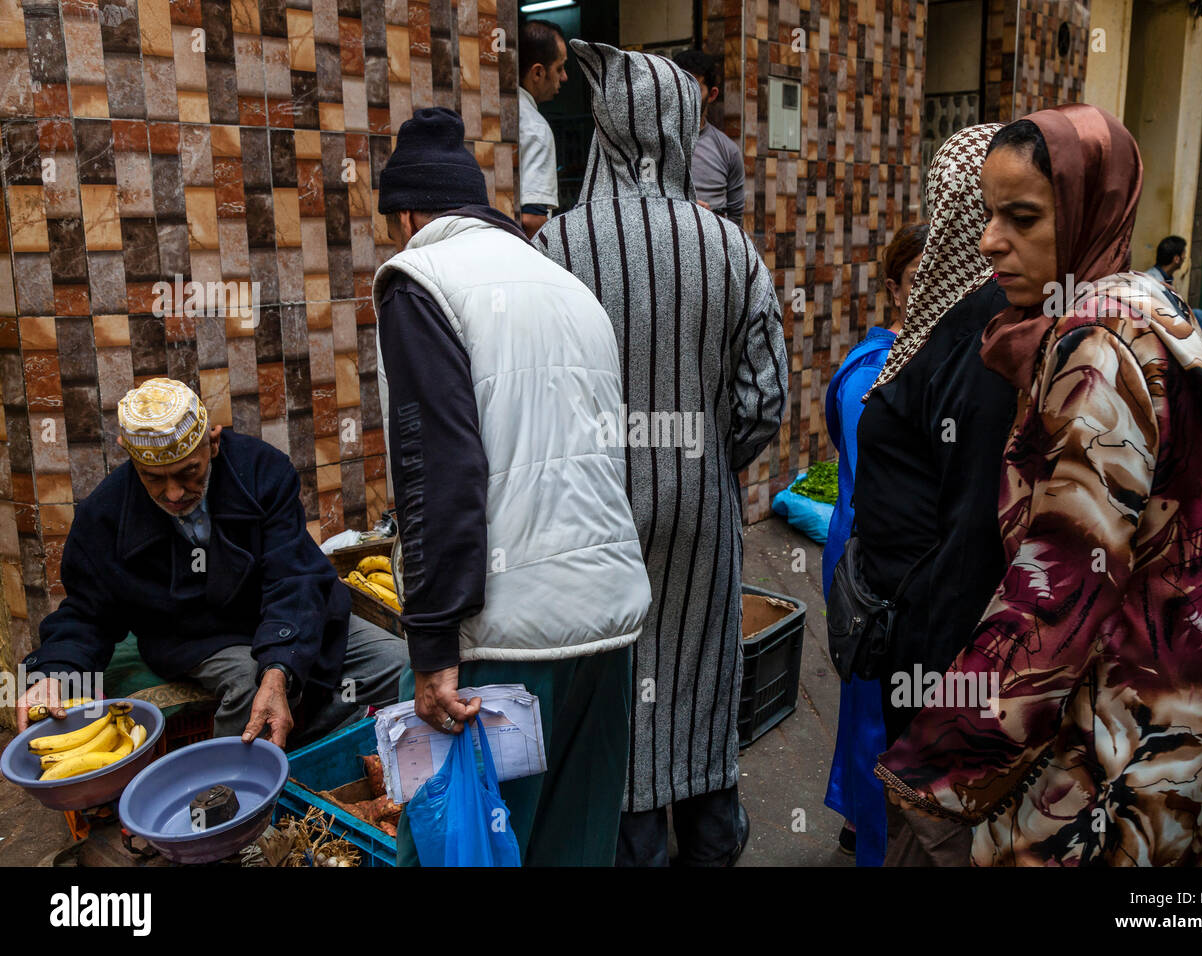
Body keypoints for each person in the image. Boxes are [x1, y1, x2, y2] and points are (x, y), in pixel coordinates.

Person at [876, 105, 1202, 867]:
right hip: (1184, 707)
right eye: (990, 215)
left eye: (1022, 217)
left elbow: (1060, 583)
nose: (992, 241)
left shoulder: (1097, 347)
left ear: (1094, 205)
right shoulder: (1152, 305)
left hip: (1118, 743)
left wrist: (940, 754)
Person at [372, 107, 652, 866]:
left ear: (407, 215)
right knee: (572, 843)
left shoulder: (420, 280)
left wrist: (432, 642)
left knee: (456, 843)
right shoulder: (566, 287)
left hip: (504, 636)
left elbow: (439, 471)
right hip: (605, 627)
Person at [533, 41, 788, 867]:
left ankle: (636, 848)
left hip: (594, 523)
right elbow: (765, 400)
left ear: (605, 127)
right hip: (700, 517)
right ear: (684, 127)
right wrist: (709, 461)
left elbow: (540, 401)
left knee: (625, 704)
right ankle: (714, 844)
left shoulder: (556, 250)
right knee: (700, 688)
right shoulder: (729, 247)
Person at [16, 378, 408, 748]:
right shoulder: (104, 516)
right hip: (196, 637)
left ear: (213, 442)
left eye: (189, 472)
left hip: (288, 615)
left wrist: (279, 666)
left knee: (404, 667)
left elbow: (293, 575)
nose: (173, 493)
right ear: (129, 455)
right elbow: (88, 611)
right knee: (250, 689)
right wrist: (54, 672)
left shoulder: (261, 471)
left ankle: (317, 751)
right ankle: (227, 799)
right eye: (154, 478)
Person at [850, 123, 1018, 866]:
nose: (983, 239)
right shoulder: (948, 321)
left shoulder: (984, 335)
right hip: (914, 636)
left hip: (939, 654)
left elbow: (973, 530)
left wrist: (932, 691)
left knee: (932, 839)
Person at [821, 222, 923, 863]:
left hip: (879, 560)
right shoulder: (872, 376)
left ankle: (860, 817)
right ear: (893, 289)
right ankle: (874, 839)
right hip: (870, 567)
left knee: (875, 704)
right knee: (872, 709)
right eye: (920, 282)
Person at [672, 49, 745, 227]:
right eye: (679, 87)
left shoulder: (728, 151)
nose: (685, 96)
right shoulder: (650, 142)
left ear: (712, 94)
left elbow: (736, 221)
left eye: (694, 89)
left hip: (709, 250)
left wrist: (710, 220)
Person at [518, 19, 567, 239]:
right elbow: (532, 219)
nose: (564, 77)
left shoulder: (495, 112)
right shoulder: (535, 128)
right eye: (559, 68)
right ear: (537, 73)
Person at [1145, 235, 1202, 337]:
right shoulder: (1156, 282)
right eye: (1183, 254)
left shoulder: (1164, 277)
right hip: (1162, 324)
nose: (1185, 257)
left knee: (1200, 315)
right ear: (1176, 259)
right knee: (1201, 319)